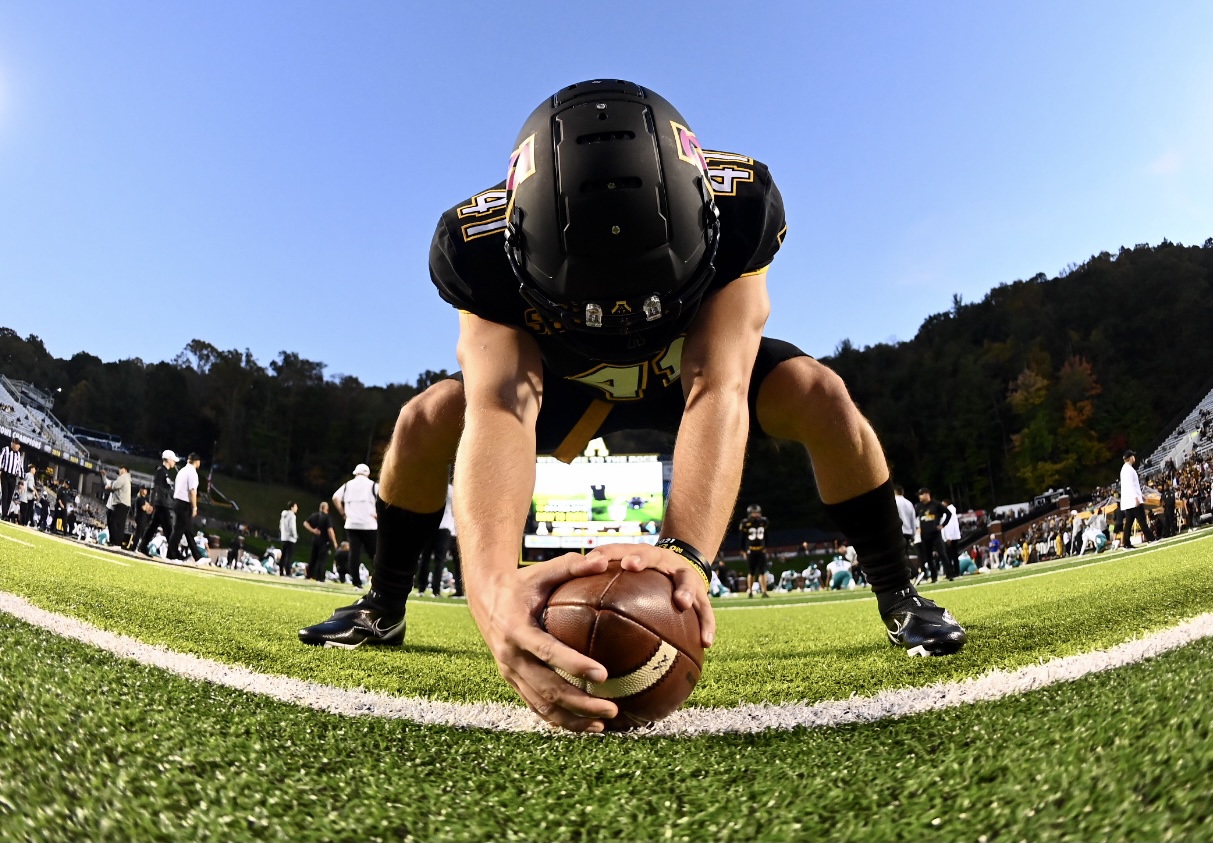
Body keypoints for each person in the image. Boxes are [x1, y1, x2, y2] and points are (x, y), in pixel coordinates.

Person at [298, 80, 965, 730]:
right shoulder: (474, 252)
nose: (621, 324)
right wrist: (493, 588)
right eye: (596, 305)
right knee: (423, 419)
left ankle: (900, 596)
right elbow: (501, 406)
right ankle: (382, 606)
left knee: (819, 393)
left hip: (687, 372)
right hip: (567, 385)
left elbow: (718, 382)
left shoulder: (742, 206)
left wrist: (685, 554)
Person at [332, 464, 379, 589]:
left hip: (352, 523)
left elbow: (336, 497)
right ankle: (380, 581)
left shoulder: (348, 485)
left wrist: (343, 513)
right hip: (369, 524)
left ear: (356, 473)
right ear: (367, 473)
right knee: (374, 553)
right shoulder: (373, 485)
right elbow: (384, 499)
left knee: (354, 554)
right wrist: (378, 514)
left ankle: (356, 582)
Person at [136, 450, 179, 556]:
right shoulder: (161, 471)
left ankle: (142, 546)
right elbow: (155, 487)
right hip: (162, 504)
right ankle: (173, 553)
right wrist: (151, 503)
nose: (174, 462)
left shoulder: (165, 472)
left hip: (162, 503)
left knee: (153, 527)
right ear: (168, 459)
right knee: (168, 529)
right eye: (173, 460)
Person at [417, 483, 456, 597]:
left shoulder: (430, 486)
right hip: (442, 528)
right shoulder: (450, 489)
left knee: (426, 559)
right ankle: (434, 590)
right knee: (438, 560)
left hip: (430, 526)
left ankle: (423, 589)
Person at [167, 453, 204, 561]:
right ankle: (171, 555)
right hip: (184, 503)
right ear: (197, 461)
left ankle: (197, 557)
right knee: (178, 531)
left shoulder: (182, 471)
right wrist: (195, 507)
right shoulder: (192, 473)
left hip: (177, 501)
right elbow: (192, 491)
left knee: (188, 531)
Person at [1118, 450, 1155, 549]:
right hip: (1133, 501)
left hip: (1129, 501)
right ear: (1130, 457)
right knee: (1142, 520)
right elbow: (1130, 485)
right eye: (1133, 456)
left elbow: (1132, 485)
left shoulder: (1125, 469)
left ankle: (1126, 543)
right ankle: (1151, 539)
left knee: (1128, 524)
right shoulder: (1128, 470)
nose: (1135, 457)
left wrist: (1140, 495)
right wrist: (1136, 497)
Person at [914, 488, 952, 583]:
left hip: (935, 534)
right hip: (924, 535)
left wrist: (943, 525)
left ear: (927, 494)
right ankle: (934, 577)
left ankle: (949, 574)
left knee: (942, 554)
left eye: (921, 494)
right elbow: (915, 518)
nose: (920, 497)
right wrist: (917, 528)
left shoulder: (936, 504)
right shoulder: (919, 506)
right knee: (928, 557)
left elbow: (948, 513)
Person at [739, 503, 770, 598]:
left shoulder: (764, 521)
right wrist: (743, 550)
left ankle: (764, 591)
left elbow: (766, 536)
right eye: (754, 513)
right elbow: (742, 538)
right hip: (751, 550)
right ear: (750, 513)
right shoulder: (745, 523)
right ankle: (750, 591)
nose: (756, 515)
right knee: (751, 572)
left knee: (763, 571)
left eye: (757, 513)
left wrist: (766, 547)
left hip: (761, 550)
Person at [303, 502, 337, 582]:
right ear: (326, 508)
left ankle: (309, 575)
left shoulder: (314, 515)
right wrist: (334, 542)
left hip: (315, 540)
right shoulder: (327, 517)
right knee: (322, 560)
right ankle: (320, 577)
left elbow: (305, 523)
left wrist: (313, 530)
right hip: (324, 542)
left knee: (313, 559)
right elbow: (330, 530)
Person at [101, 467, 132, 546]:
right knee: (118, 524)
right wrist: (104, 477)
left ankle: (115, 542)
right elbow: (110, 483)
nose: (119, 471)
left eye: (120, 469)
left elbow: (113, 485)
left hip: (120, 504)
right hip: (119, 504)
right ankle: (115, 542)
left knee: (114, 522)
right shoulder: (125, 479)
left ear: (124, 470)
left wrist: (109, 486)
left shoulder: (123, 478)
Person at [0, 438, 25, 521]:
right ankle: (4, 514)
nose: (19, 446)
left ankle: (5, 514)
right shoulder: (5, 450)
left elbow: (20, 468)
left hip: (13, 477)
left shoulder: (19, 455)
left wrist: (21, 481)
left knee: (9, 496)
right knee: (5, 494)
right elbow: (0, 460)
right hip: (5, 474)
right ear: (13, 444)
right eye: (17, 444)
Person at [941, 497, 962, 580]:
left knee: (950, 556)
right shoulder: (952, 511)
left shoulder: (949, 511)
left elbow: (949, 525)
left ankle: (952, 572)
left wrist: (948, 537)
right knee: (953, 555)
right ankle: (954, 572)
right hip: (953, 536)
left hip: (950, 537)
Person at [278, 501, 299, 577]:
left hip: (284, 537)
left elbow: (280, 525)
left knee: (283, 555)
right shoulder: (292, 516)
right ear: (292, 507)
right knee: (289, 556)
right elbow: (292, 527)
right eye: (296, 507)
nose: (297, 508)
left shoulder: (283, 515)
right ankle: (288, 572)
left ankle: (281, 571)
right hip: (290, 538)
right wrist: (295, 536)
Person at [130, 486, 152, 551]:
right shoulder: (140, 498)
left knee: (141, 533)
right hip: (140, 517)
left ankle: (137, 547)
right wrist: (147, 506)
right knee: (138, 533)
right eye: (144, 489)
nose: (146, 491)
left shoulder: (144, 499)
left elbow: (149, 510)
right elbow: (144, 508)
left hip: (143, 517)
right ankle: (134, 548)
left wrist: (147, 506)